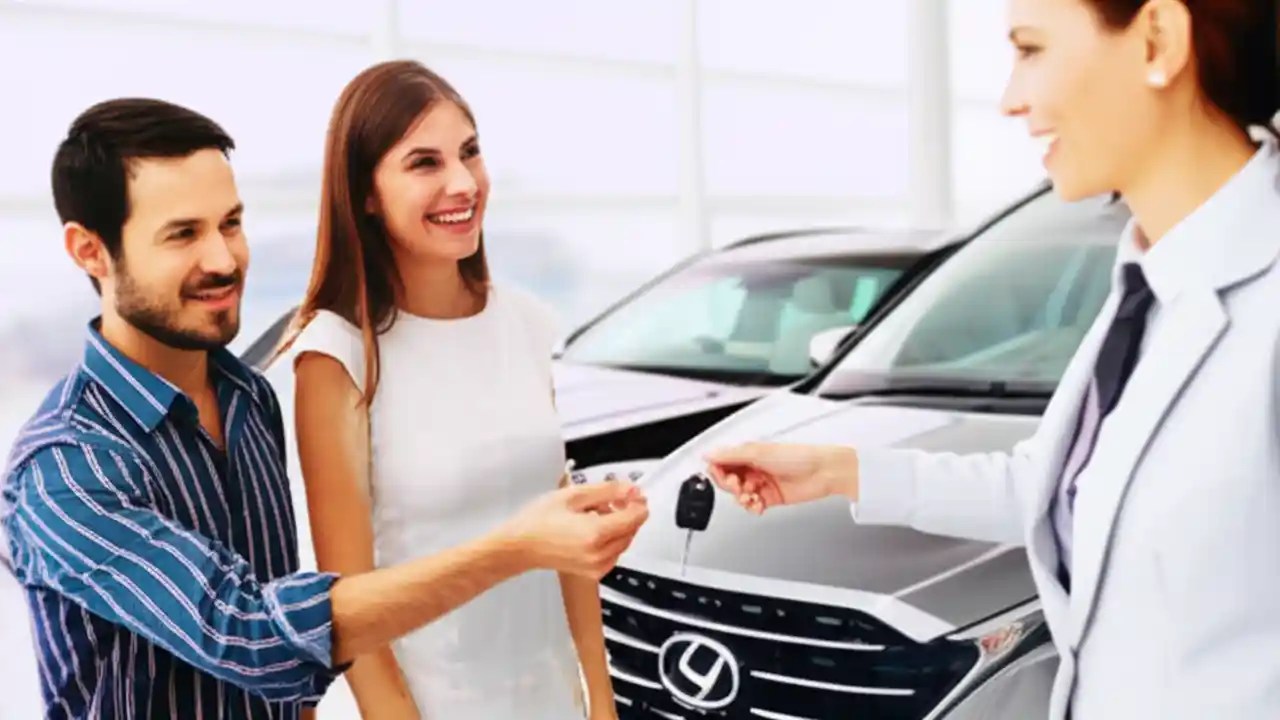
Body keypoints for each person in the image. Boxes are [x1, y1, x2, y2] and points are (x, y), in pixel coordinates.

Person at [703, 1, 1280, 718]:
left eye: (1031, 49)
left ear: (1157, 40)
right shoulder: (1148, 286)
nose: (1011, 99)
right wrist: (839, 470)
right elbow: (1057, 488)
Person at [0, 97, 648, 720]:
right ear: (89, 250)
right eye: (183, 235)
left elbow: (293, 659)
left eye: (231, 223)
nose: (223, 259)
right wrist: (516, 548)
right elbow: (252, 634)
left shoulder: (247, 398)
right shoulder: (64, 468)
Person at [267, 59, 620, 720]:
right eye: (424, 163)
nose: (463, 182)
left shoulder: (526, 323)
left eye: (469, 152)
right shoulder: (337, 354)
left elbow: (565, 544)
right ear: (365, 194)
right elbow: (351, 616)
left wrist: (600, 702)